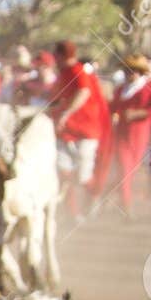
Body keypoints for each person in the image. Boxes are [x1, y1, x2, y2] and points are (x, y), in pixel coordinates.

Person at [48, 40, 107, 217]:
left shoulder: (77, 70)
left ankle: (95, 198)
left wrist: (66, 113)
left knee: (81, 176)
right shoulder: (63, 74)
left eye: (56, 56)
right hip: (65, 133)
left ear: (61, 56)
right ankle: (72, 213)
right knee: (63, 172)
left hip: (85, 132)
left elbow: (84, 92)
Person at [110, 54, 151, 216]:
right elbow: (112, 107)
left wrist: (137, 113)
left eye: (133, 71)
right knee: (124, 170)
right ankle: (126, 208)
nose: (129, 74)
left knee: (128, 172)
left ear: (140, 72)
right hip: (121, 135)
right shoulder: (120, 90)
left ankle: (120, 203)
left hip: (139, 136)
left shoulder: (150, 88)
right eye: (127, 71)